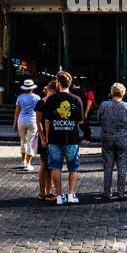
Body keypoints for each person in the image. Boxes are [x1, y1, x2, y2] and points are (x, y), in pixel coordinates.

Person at [45, 72, 84, 204]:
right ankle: (72, 194)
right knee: (73, 167)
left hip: (55, 138)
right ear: (70, 83)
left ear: (58, 83)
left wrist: (46, 137)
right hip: (71, 139)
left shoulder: (51, 100)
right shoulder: (77, 99)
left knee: (56, 167)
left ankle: (59, 195)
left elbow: (47, 121)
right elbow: (80, 122)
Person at [97, 82, 127, 199]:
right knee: (122, 165)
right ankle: (121, 192)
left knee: (108, 166)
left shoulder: (104, 105)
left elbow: (99, 118)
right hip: (124, 138)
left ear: (111, 92)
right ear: (123, 93)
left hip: (107, 137)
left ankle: (107, 192)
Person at [34, 81, 58, 200]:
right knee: (44, 163)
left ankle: (48, 191)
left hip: (51, 135)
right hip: (44, 136)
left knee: (50, 165)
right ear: (51, 90)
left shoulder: (52, 102)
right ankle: (42, 192)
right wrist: (43, 137)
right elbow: (38, 122)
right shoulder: (41, 103)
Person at [13, 78, 40, 170]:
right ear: (33, 88)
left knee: (23, 141)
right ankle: (28, 164)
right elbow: (39, 111)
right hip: (33, 121)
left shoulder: (20, 97)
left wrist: (14, 123)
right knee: (30, 142)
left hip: (21, 120)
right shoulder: (37, 97)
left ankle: (23, 161)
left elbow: (17, 111)